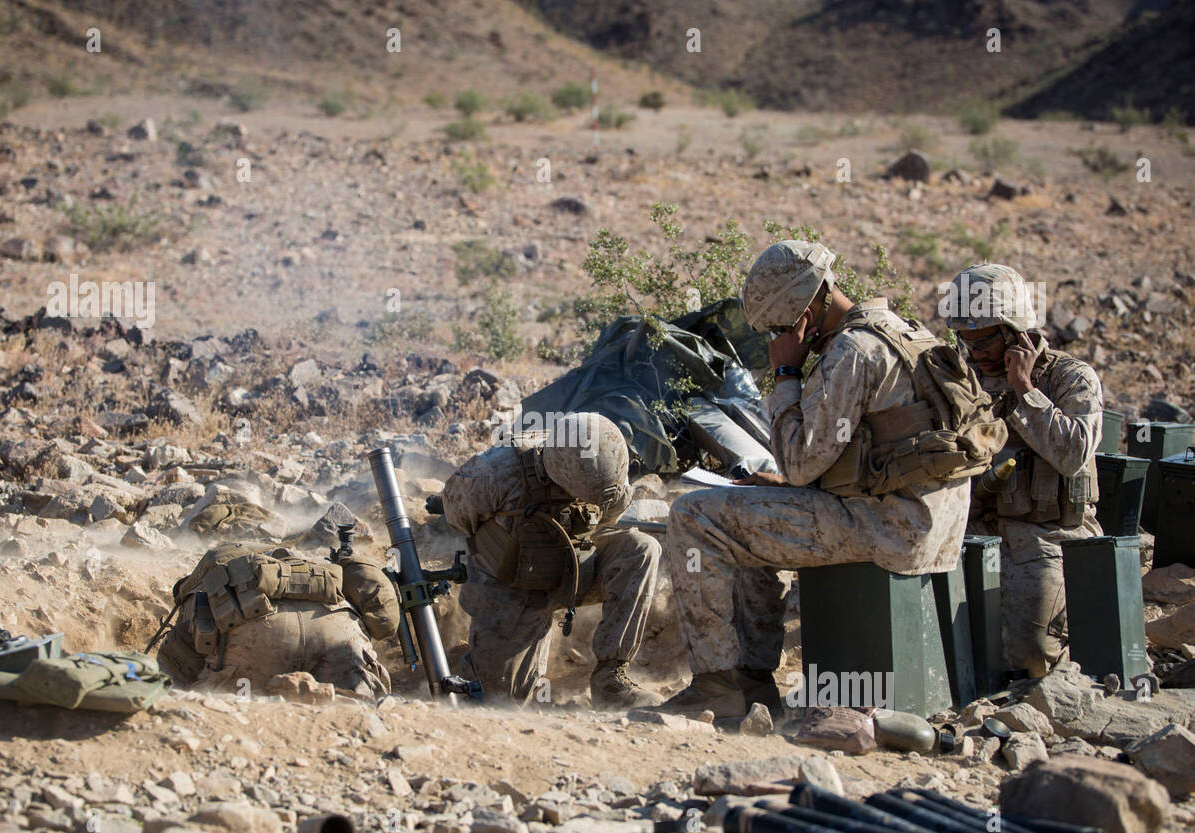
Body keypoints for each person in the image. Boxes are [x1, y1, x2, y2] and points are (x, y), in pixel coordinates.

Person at [657, 240, 1001, 717]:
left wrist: (786, 372)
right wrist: (792, 485)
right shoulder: (902, 329)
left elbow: (798, 461)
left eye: (780, 328)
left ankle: (722, 685)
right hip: (922, 520)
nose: (778, 336)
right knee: (749, 518)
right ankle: (750, 683)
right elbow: (869, 453)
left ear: (804, 314)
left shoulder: (851, 353)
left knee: (694, 516)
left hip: (890, 528)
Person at [942, 263, 1103, 677]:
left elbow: (1072, 453)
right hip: (972, 531)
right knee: (936, 642)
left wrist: (1025, 389)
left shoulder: (1071, 377)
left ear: (1017, 331)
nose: (976, 353)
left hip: (1046, 537)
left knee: (1031, 658)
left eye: (986, 341)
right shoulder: (964, 379)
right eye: (966, 341)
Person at [441, 412, 661, 708]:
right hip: (512, 584)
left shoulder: (608, 470)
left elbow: (609, 518)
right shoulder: (496, 470)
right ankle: (470, 657)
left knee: (642, 548)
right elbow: (458, 517)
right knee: (502, 699)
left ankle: (611, 677)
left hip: (573, 569)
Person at [156, 540, 397, 700]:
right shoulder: (318, 570)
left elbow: (178, 664)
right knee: (360, 704)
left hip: (257, 629)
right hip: (336, 624)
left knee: (211, 701)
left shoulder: (212, 581)